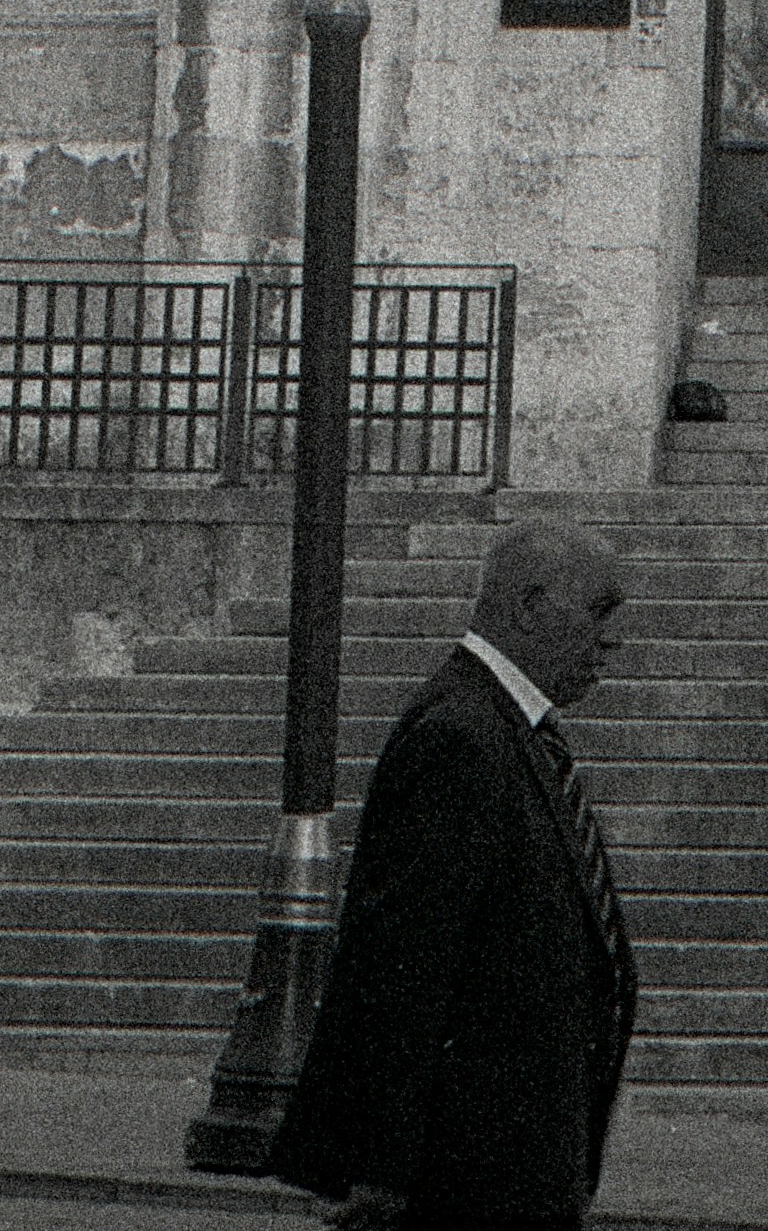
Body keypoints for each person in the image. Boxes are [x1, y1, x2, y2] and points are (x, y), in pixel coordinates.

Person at [270, 521, 639, 1231]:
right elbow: (404, 963)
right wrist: (382, 1168)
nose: (612, 639)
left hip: (508, 1162)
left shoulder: (509, 729)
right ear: (531, 606)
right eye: (600, 611)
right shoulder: (462, 737)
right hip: (467, 1174)